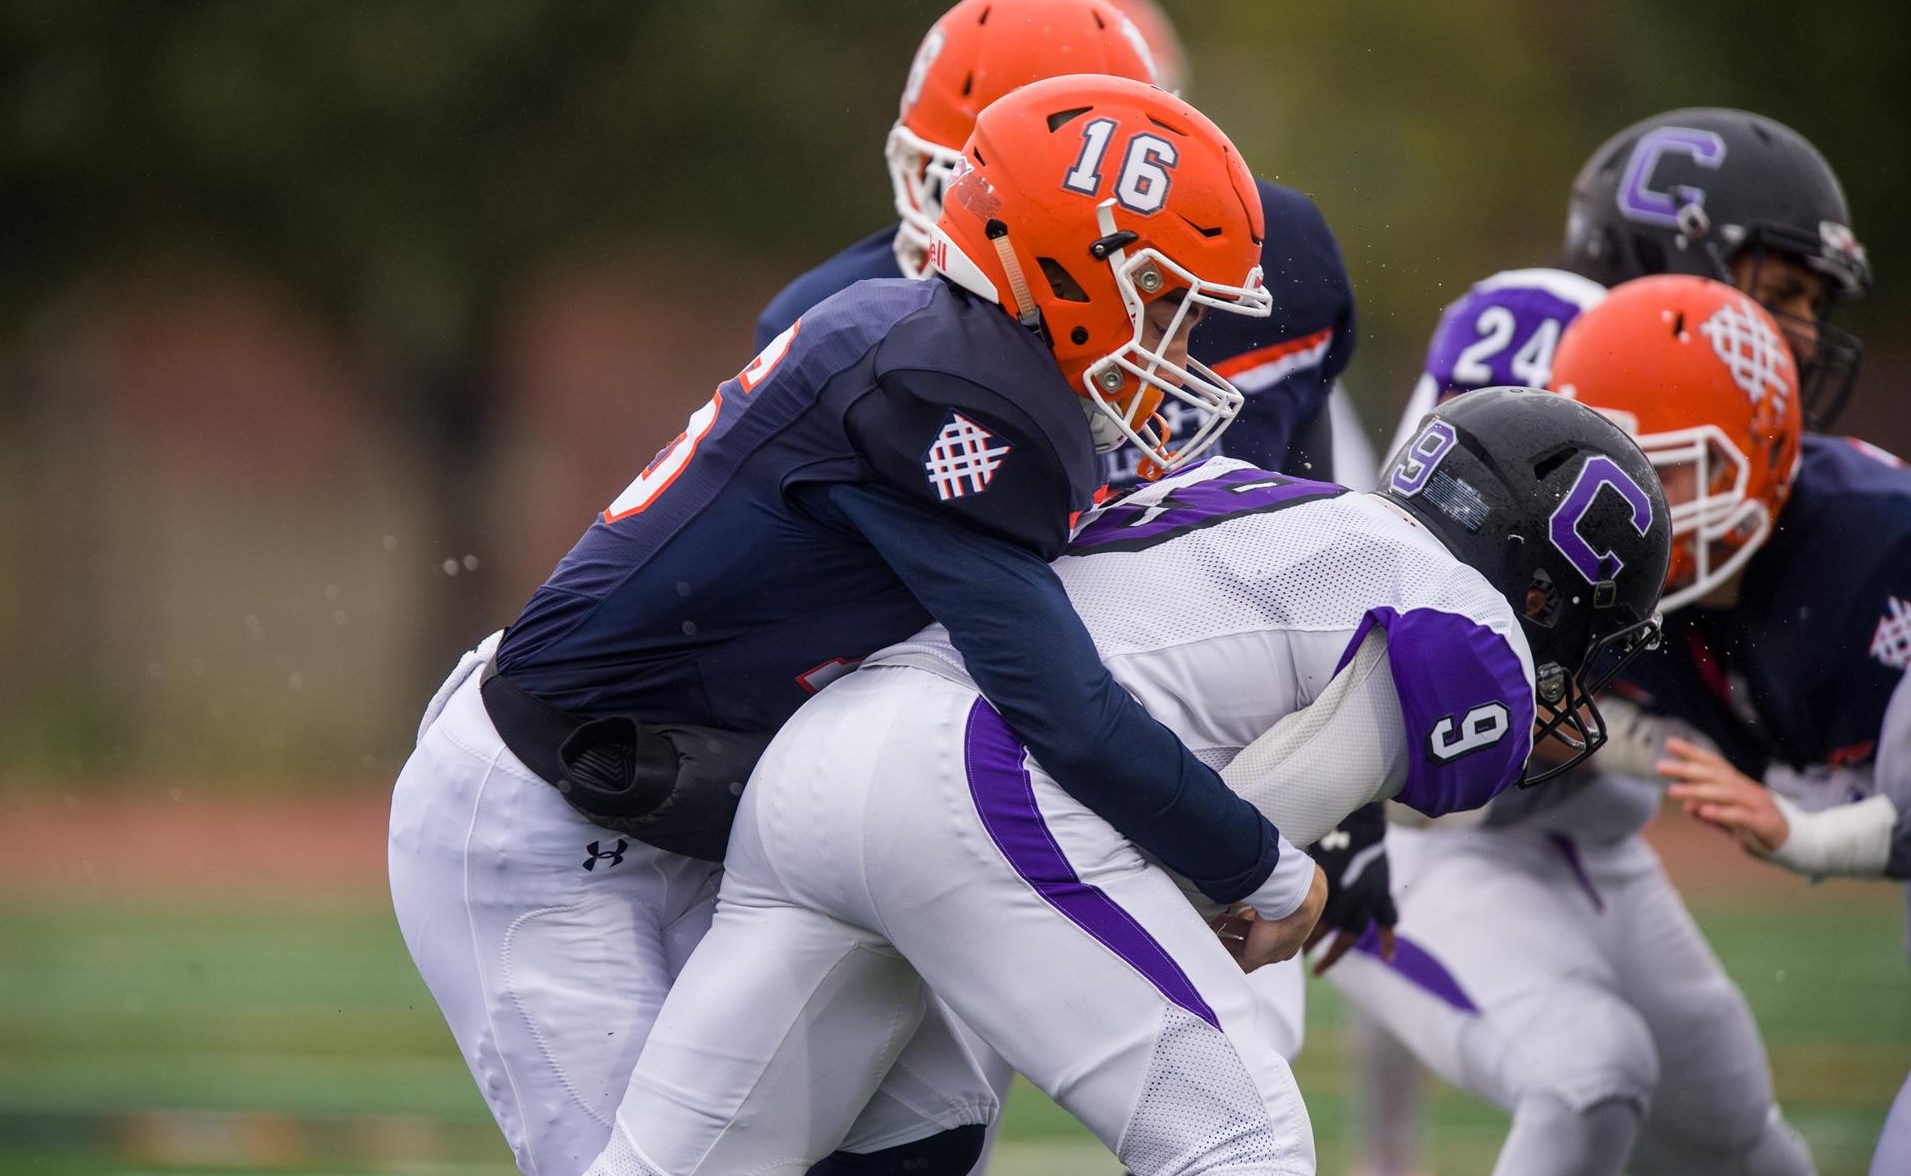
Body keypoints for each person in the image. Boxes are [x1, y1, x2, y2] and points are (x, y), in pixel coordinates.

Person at [388, 73, 1291, 1176]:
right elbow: (1065, 706)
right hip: (540, 817)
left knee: (927, 1113)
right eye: (1164, 300)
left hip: (720, 818)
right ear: (1067, 264)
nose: (1180, 341)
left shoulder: (952, 354)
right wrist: (1259, 865)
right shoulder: (944, 386)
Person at [593, 387, 1670, 1176]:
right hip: (978, 780)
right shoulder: (1468, 623)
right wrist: (1245, 890)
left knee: (786, 1152)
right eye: (1590, 634)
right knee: (1246, 1144)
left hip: (826, 756)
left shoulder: (1254, 493)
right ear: (1542, 590)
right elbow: (1267, 815)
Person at [1341, 106, 1874, 1176]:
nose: (1797, 338)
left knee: (1742, 1140)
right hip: (1433, 826)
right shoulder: (1533, 335)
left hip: (1591, 832)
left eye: (1810, 309)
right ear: (1676, 261)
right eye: (1777, 296)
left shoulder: (1738, 429)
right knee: (1590, 1074)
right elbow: (1429, 614)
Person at [756, 0, 1358, 489]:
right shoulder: (830, 329)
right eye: (959, 188)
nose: (978, 224)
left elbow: (1313, 489)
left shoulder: (1268, 254)